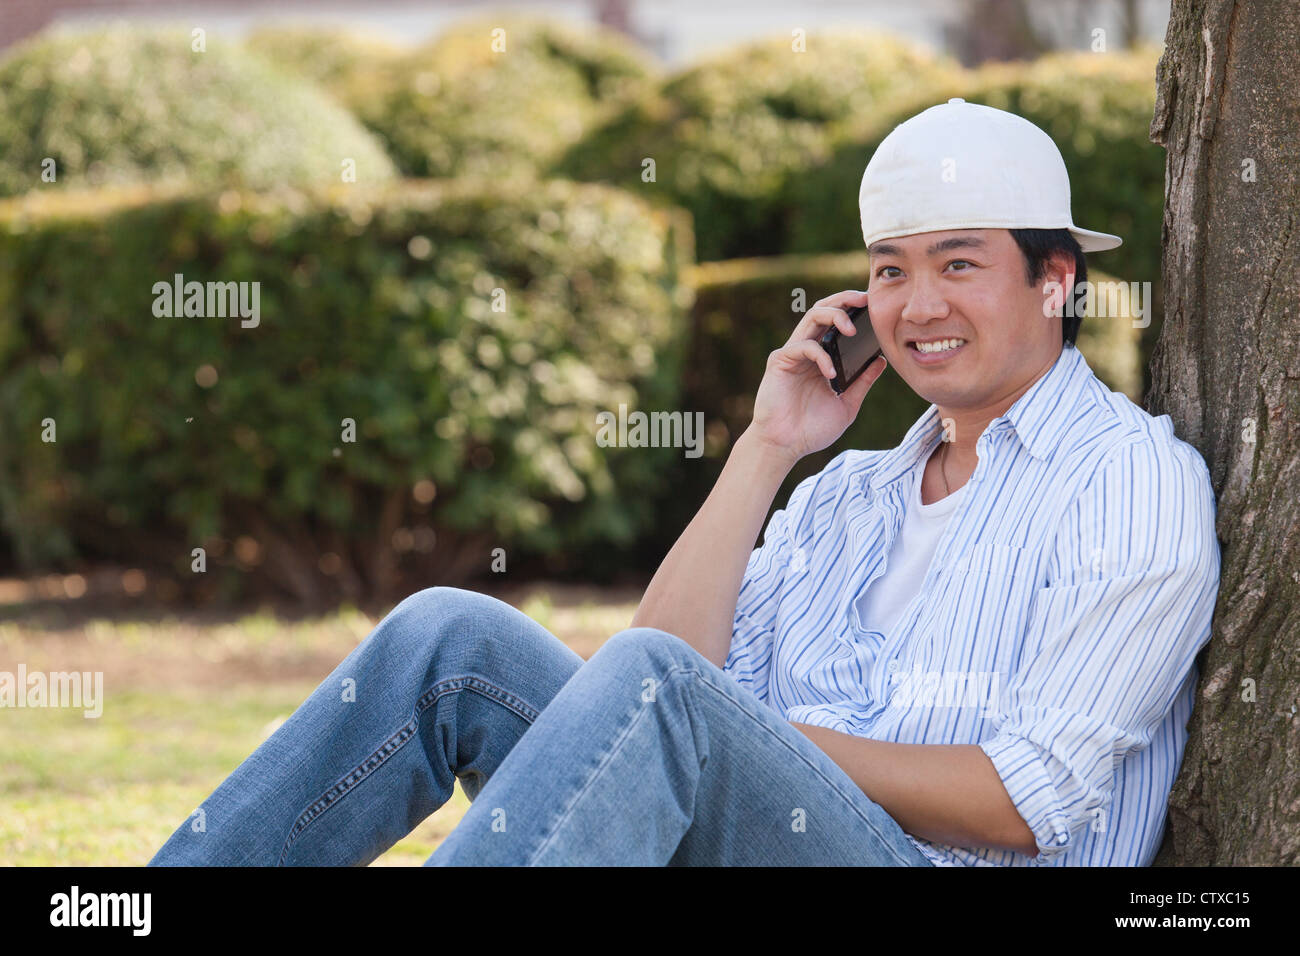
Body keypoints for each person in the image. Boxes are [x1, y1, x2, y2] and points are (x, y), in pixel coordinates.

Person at [149, 99, 1220, 867]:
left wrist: (758, 740)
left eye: (960, 262)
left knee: (665, 693)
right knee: (450, 638)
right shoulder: (847, 493)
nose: (918, 303)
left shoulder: (1128, 481)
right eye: (891, 269)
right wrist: (766, 448)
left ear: (1055, 278)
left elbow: (1026, 802)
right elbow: (652, 673)